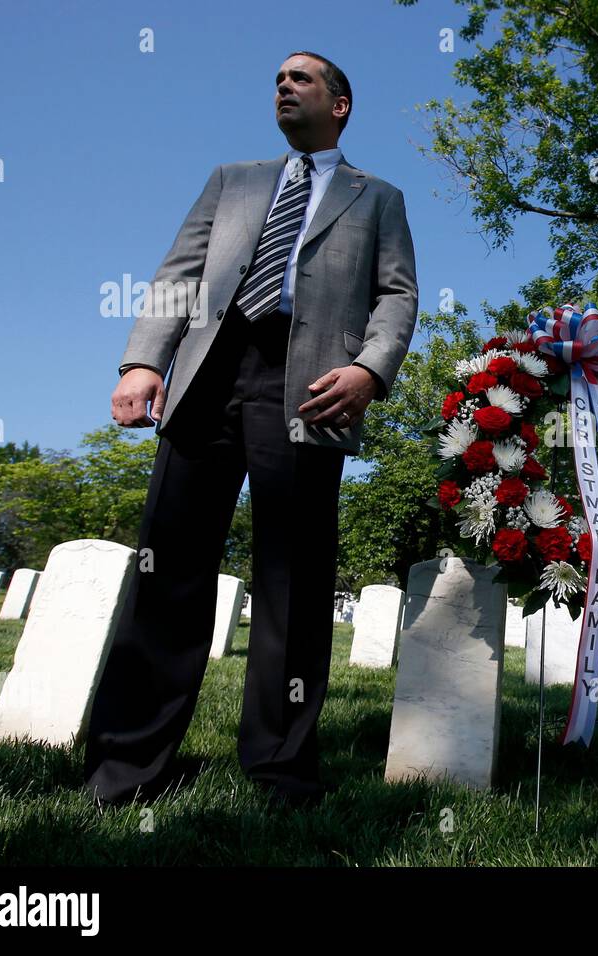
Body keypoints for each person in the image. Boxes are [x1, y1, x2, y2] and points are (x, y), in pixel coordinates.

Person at [84, 52, 418, 808]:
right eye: (277, 78)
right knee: (165, 569)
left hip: (309, 391)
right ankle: (128, 768)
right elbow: (177, 274)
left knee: (292, 581)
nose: (283, 85)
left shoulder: (379, 198)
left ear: (341, 104)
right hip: (208, 376)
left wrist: (370, 371)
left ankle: (279, 770)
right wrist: (141, 361)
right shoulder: (231, 180)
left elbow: (396, 296)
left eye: (301, 78)